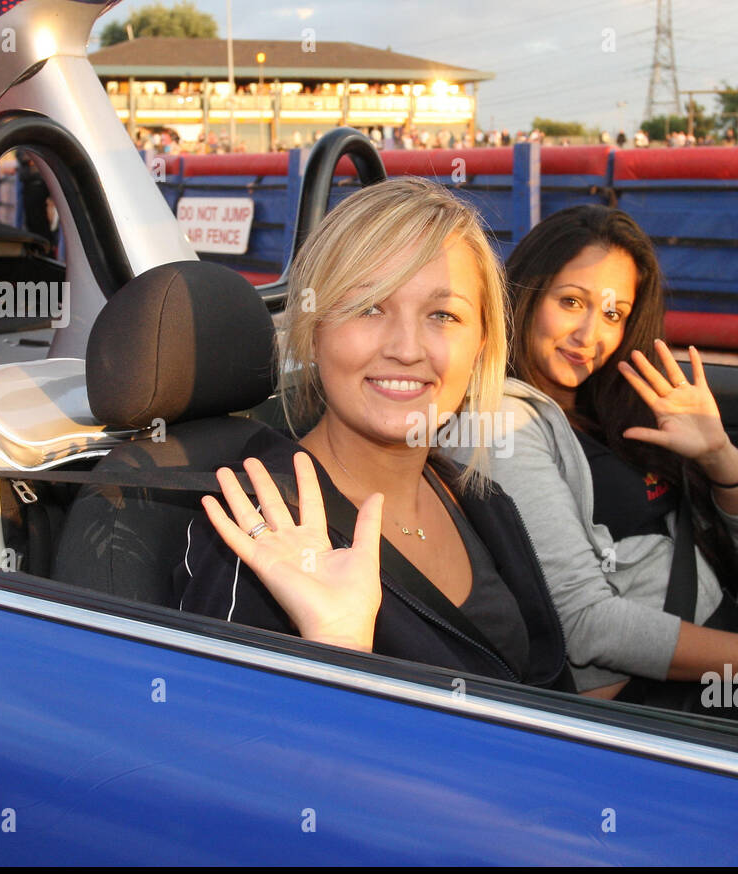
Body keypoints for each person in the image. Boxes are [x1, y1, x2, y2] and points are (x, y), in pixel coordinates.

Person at [173, 177, 574, 692]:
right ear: (313, 333)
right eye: (369, 308)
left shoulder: (481, 502)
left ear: (482, 344)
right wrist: (337, 642)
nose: (407, 348)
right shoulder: (261, 527)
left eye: (443, 315)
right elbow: (225, 754)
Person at [471, 205, 738, 703]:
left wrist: (717, 452)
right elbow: (586, 624)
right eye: (571, 301)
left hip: (717, 631)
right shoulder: (504, 422)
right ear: (524, 294)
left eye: (613, 314)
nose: (590, 335)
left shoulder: (614, 402)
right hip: (661, 687)